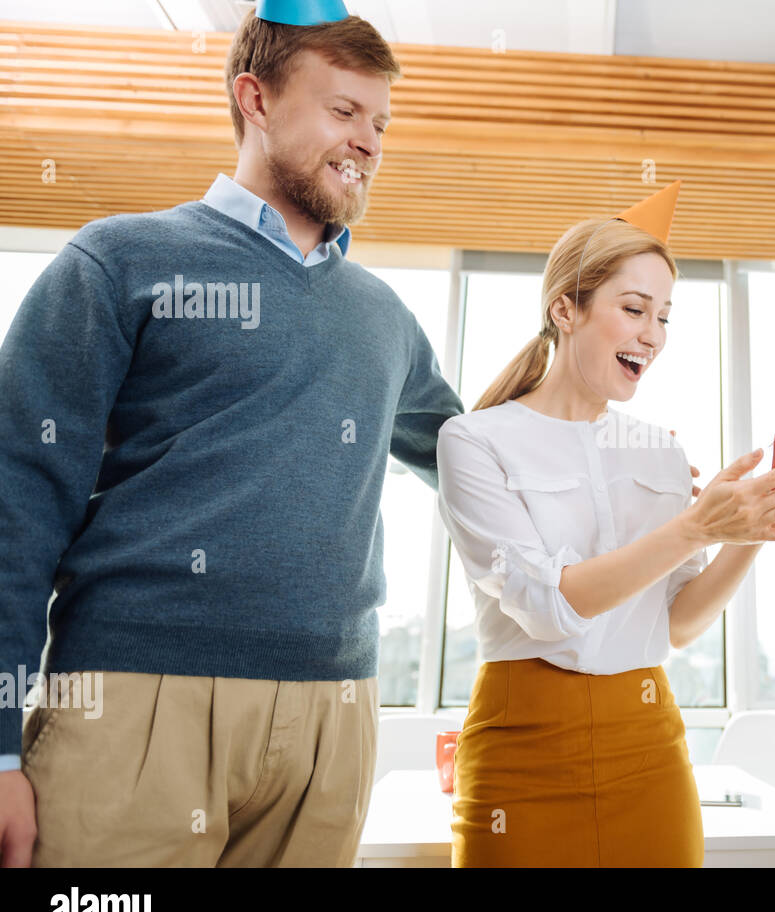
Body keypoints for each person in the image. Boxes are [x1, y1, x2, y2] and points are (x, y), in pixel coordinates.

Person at [0, 1, 463, 867]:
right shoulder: (117, 263)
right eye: (343, 111)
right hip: (134, 705)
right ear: (254, 98)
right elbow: (15, 498)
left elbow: (476, 461)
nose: (368, 139)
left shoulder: (385, 318)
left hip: (334, 720)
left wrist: (622, 477)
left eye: (380, 122)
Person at [436, 186, 775, 866]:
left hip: (647, 743)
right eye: (634, 308)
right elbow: (549, 606)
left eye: (665, 316)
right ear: (566, 308)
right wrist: (698, 527)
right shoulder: (473, 440)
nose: (653, 333)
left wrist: (749, 530)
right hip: (519, 747)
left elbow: (677, 621)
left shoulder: (660, 449)